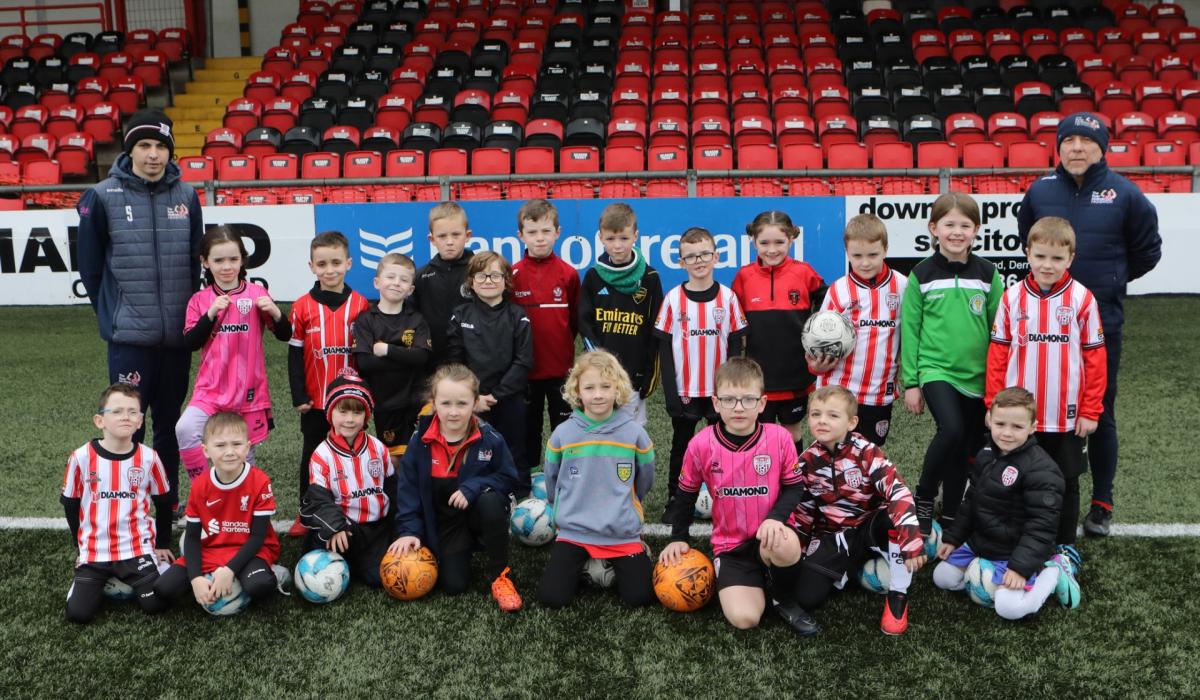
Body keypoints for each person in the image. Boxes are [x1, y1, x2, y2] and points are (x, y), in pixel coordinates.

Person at [1017, 112, 1163, 536]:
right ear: (1057, 147)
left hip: (1101, 323)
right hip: (1042, 324)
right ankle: (1029, 492)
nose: (1076, 147)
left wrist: (1112, 278)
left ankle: (1101, 502)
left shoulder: (1126, 194)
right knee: (1035, 407)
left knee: (1100, 412)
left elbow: (1147, 252)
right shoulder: (1040, 190)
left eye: (1086, 140)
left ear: (1103, 148)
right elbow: (1030, 236)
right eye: (1068, 140)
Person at [76, 109, 204, 515]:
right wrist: (113, 314)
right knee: (129, 423)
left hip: (176, 340)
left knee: (169, 425)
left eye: (161, 147)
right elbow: (91, 268)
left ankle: (165, 501)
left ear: (170, 151)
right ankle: (129, 500)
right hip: (129, 339)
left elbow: (192, 263)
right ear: (130, 149)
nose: (153, 155)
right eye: (145, 146)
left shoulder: (187, 196)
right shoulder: (101, 196)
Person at [659, 358, 815, 635]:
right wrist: (678, 538)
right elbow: (685, 495)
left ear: (762, 403)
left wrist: (775, 519)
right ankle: (763, 579)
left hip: (769, 536)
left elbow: (794, 487)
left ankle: (783, 599)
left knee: (784, 543)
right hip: (731, 547)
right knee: (745, 619)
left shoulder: (779, 438)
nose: (739, 407)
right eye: (729, 400)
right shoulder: (701, 444)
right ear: (716, 403)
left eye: (747, 399)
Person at [986, 216, 1105, 571]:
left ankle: (1065, 545)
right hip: (1019, 419)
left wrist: (1090, 409)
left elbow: (1095, 357)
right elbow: (997, 354)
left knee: (1065, 482)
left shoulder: (1082, 299)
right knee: (1014, 478)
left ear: (1070, 258)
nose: (1047, 265)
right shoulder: (1012, 298)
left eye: (1056, 258)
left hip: (1065, 414)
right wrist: (992, 404)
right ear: (1027, 254)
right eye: (1040, 256)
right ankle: (1015, 539)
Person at [781, 385, 926, 635]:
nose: (822, 421)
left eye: (832, 415)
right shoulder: (805, 462)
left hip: (871, 525)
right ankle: (855, 569)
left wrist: (911, 540)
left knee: (895, 515)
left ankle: (898, 595)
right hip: (837, 537)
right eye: (816, 414)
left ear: (852, 422)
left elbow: (898, 491)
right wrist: (801, 556)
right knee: (806, 597)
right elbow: (803, 515)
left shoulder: (866, 452)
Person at [900, 192, 1003, 534]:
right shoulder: (921, 274)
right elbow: (911, 330)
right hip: (935, 370)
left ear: (976, 230)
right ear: (934, 228)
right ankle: (925, 497)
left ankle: (951, 512)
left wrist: (996, 383)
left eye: (965, 225)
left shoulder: (989, 274)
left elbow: (998, 329)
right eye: (949, 224)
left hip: (977, 376)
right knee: (952, 430)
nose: (956, 232)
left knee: (962, 448)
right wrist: (912, 382)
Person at [934, 387, 1080, 619]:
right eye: (1000, 424)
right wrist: (953, 539)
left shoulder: (1042, 470)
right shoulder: (985, 454)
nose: (1007, 433)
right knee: (941, 577)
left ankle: (1054, 572)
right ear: (989, 420)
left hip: (1014, 551)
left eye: (1017, 427)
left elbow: (1041, 527)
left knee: (1009, 609)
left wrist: (1020, 567)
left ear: (1032, 427)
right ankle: (985, 577)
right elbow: (971, 502)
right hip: (983, 544)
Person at [390, 364, 522, 611]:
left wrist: (475, 486)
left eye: (461, 404)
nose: (453, 412)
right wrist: (409, 531)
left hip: (474, 514)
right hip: (444, 524)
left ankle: (500, 577)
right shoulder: (420, 441)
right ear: (433, 403)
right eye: (446, 403)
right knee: (454, 586)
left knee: (490, 501)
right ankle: (457, 551)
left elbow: (508, 477)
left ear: (475, 403)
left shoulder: (490, 438)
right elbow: (407, 491)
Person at [538, 351, 656, 609]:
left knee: (640, 598)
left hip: (620, 532)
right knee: (552, 598)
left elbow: (645, 478)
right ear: (577, 391)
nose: (598, 394)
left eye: (606, 386)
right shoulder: (563, 434)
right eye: (589, 387)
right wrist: (563, 508)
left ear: (618, 388)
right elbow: (552, 479)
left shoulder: (634, 433)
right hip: (574, 531)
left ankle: (635, 551)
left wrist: (630, 503)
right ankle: (582, 563)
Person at [176, 226, 290, 483]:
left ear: (242, 260)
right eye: (218, 260)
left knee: (242, 456)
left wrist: (276, 313)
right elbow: (191, 343)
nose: (226, 266)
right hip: (210, 391)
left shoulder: (257, 295)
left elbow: (285, 334)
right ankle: (205, 490)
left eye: (233, 259)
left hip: (248, 393)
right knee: (185, 429)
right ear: (205, 262)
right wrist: (209, 315)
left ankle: (244, 508)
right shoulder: (199, 300)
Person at [653, 227, 749, 521]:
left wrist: (731, 390)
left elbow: (735, 345)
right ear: (681, 262)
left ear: (716, 257)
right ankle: (676, 501)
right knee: (681, 447)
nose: (699, 261)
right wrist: (671, 393)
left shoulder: (728, 298)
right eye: (690, 257)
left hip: (718, 393)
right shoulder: (672, 299)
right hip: (685, 390)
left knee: (725, 447)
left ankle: (727, 501)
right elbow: (665, 349)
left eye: (704, 254)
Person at [61, 383, 173, 623]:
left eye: (133, 412)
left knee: (156, 604)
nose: (126, 416)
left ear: (140, 421)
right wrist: (79, 549)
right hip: (96, 550)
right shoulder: (81, 457)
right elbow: (70, 504)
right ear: (99, 421)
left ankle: (157, 567)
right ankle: (87, 581)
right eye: (117, 411)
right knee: (77, 614)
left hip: (135, 548)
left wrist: (162, 543)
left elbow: (164, 501)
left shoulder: (149, 457)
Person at [287, 231, 370, 536]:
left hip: (350, 402)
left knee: (351, 454)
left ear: (349, 263)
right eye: (322, 264)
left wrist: (367, 394)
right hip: (316, 401)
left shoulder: (360, 305)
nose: (330, 269)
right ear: (312, 266)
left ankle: (352, 507)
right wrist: (299, 394)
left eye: (336, 262)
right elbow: (294, 355)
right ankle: (305, 511)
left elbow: (366, 357)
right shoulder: (301, 306)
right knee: (312, 455)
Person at [154, 412, 281, 610]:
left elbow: (258, 536)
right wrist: (195, 578)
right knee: (164, 590)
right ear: (205, 450)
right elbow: (193, 538)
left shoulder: (260, 481)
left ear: (247, 447)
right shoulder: (200, 485)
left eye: (237, 444)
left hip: (250, 549)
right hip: (211, 549)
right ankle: (206, 583)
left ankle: (274, 573)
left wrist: (229, 570)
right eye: (220, 445)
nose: (229, 452)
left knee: (260, 586)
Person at [809, 213, 906, 446]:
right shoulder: (838, 290)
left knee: (869, 455)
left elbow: (911, 335)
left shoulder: (903, 286)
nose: (865, 262)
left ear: (885, 249)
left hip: (877, 392)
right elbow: (818, 338)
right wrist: (815, 363)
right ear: (847, 252)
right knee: (832, 451)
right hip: (837, 389)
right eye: (857, 256)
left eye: (873, 255)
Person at [732, 210, 825, 445]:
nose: (771, 249)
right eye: (764, 243)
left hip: (795, 373)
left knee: (791, 430)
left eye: (779, 242)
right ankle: (764, 478)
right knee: (760, 433)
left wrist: (819, 329)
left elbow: (827, 299)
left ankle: (793, 479)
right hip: (759, 375)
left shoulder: (804, 272)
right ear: (753, 241)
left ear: (791, 240)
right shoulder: (744, 277)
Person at [446, 251, 534, 494]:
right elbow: (455, 361)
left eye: (495, 275)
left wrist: (497, 395)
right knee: (472, 453)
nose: (488, 280)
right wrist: (473, 397)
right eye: (481, 275)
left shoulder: (518, 316)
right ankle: (472, 496)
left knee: (514, 449)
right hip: (471, 402)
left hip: (509, 399)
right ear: (471, 281)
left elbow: (523, 361)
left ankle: (521, 498)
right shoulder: (460, 315)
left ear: (506, 280)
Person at [298, 374, 395, 588]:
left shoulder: (378, 448)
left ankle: (360, 562)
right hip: (344, 528)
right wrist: (335, 526)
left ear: (366, 415)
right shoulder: (322, 454)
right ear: (330, 412)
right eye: (343, 411)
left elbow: (392, 488)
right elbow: (318, 498)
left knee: (377, 579)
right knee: (323, 572)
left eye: (357, 411)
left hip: (375, 529)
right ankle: (326, 549)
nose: (350, 419)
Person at [511, 199, 580, 491]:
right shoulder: (512, 274)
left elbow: (574, 320)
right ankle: (525, 489)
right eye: (532, 231)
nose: (540, 238)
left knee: (565, 431)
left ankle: (567, 485)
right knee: (527, 432)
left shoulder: (568, 274)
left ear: (558, 232)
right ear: (521, 235)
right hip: (525, 372)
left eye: (546, 231)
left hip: (561, 371)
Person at [578, 203, 664, 424]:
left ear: (635, 236)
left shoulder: (650, 277)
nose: (617, 246)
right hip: (601, 378)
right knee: (600, 435)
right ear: (600, 238)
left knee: (632, 437)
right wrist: (598, 362)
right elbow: (584, 324)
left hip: (634, 377)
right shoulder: (593, 277)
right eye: (610, 239)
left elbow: (657, 330)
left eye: (624, 239)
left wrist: (650, 376)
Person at [352, 252, 432, 461]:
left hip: (416, 399)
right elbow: (365, 362)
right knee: (394, 460)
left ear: (410, 289)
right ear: (377, 282)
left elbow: (422, 357)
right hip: (385, 403)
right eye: (390, 277)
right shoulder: (366, 320)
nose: (396, 283)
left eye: (404, 280)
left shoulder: (416, 320)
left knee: (422, 456)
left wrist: (387, 350)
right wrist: (406, 357)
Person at [412, 201, 475, 360]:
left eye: (456, 234)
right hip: (432, 360)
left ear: (467, 236)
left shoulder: (479, 272)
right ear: (432, 239)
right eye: (442, 236)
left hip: (473, 359)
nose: (449, 242)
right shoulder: (420, 276)